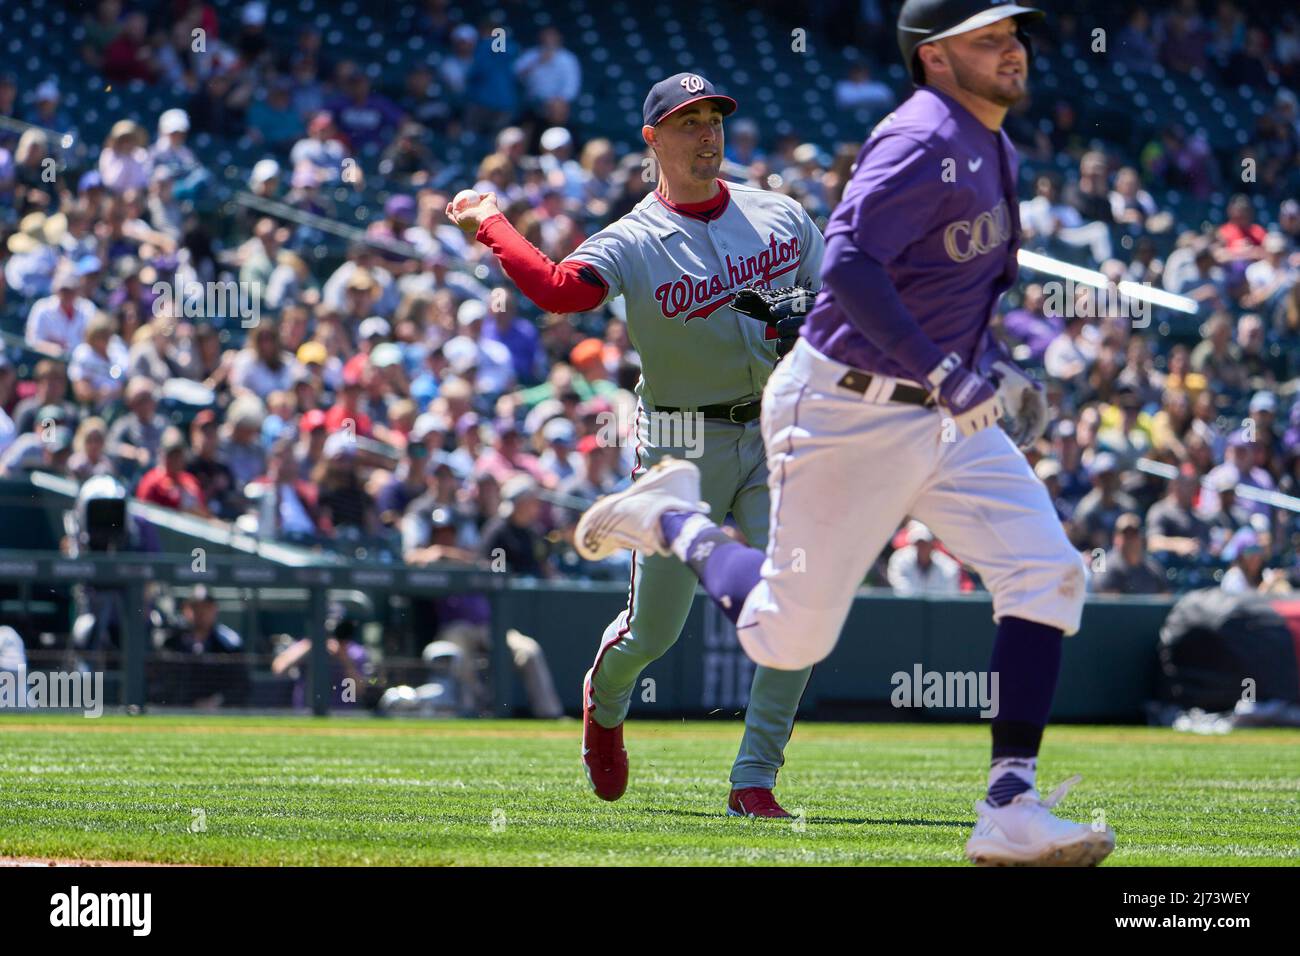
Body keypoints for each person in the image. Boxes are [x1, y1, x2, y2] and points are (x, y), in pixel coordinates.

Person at [570, 2, 1114, 866]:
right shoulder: (915, 144)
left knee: (1048, 571)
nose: (1013, 50)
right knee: (786, 632)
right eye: (988, 38)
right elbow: (855, 270)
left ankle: (1009, 803)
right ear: (934, 59)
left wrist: (999, 366)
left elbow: (954, 296)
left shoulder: (995, 149)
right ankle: (674, 518)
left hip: (932, 407)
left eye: (1015, 35)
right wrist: (943, 372)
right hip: (844, 404)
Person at [447, 71, 825, 818]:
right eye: (688, 122)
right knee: (657, 630)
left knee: (800, 605)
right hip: (681, 445)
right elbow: (560, 290)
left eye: (714, 117)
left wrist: (805, 326)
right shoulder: (634, 237)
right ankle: (606, 701)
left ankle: (754, 780)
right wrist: (492, 223)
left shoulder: (780, 215)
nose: (706, 132)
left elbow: (829, 306)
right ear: (652, 139)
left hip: (775, 430)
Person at [1093, 513, 1168, 595]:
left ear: (1141, 538)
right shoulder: (1106, 568)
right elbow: (1108, 603)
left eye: (1134, 534)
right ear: (1116, 538)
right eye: (1126, 535)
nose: (1130, 540)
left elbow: (1165, 597)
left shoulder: (1153, 568)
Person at [887, 521, 962, 595]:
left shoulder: (949, 567)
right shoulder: (899, 560)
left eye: (925, 543)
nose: (921, 546)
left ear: (932, 543)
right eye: (918, 543)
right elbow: (902, 592)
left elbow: (950, 598)